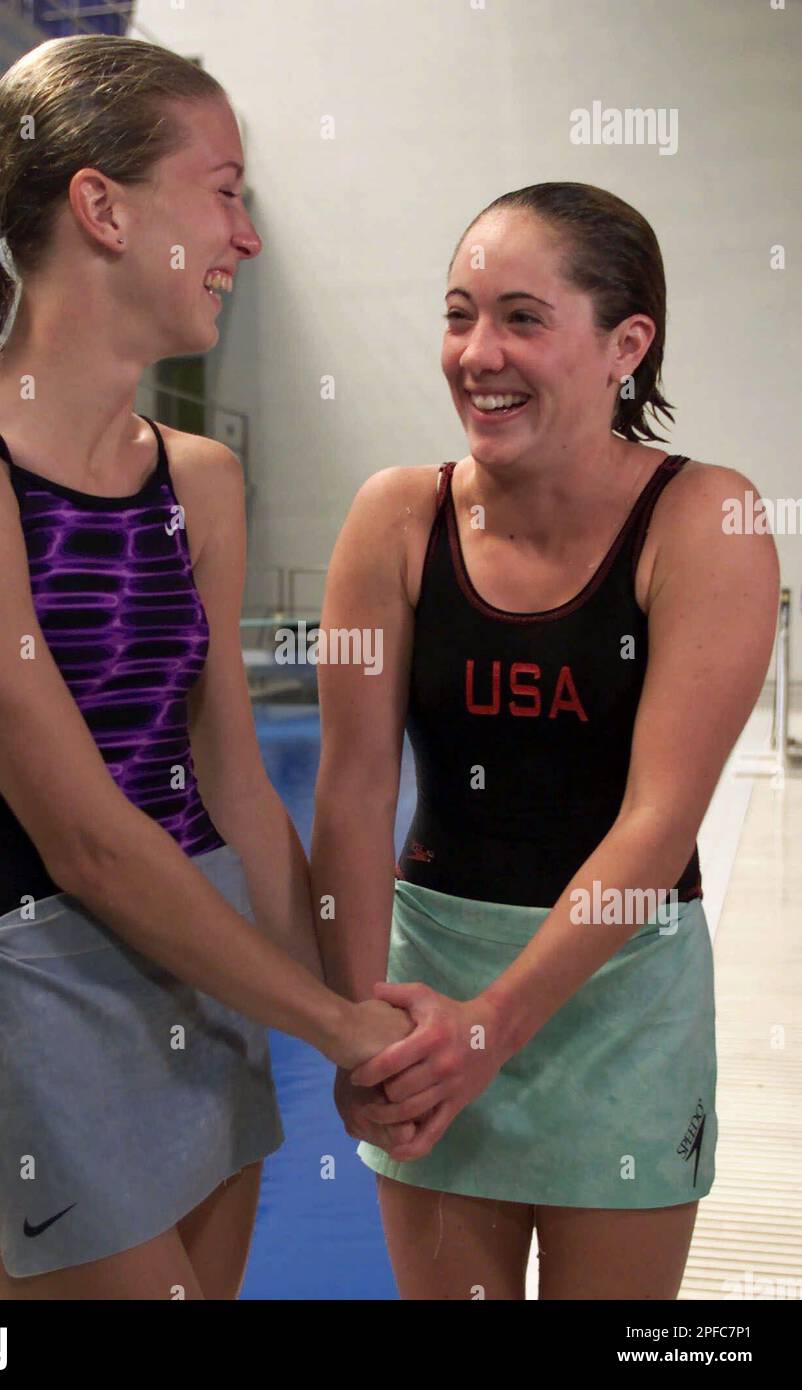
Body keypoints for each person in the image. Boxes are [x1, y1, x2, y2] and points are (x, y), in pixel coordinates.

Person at [0, 35, 418, 1300]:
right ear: (102, 208)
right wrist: (331, 1024)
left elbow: (234, 787)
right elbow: (88, 842)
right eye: (222, 190)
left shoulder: (199, 479)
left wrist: (361, 1016)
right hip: (35, 991)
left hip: (207, 983)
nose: (248, 234)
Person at [311, 181, 780, 1300]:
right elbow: (351, 789)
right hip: (427, 995)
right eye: (459, 312)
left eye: (522, 317)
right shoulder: (396, 517)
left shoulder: (708, 520)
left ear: (627, 343)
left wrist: (497, 1025)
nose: (478, 352)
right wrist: (358, 1021)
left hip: (618, 996)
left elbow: (659, 819)